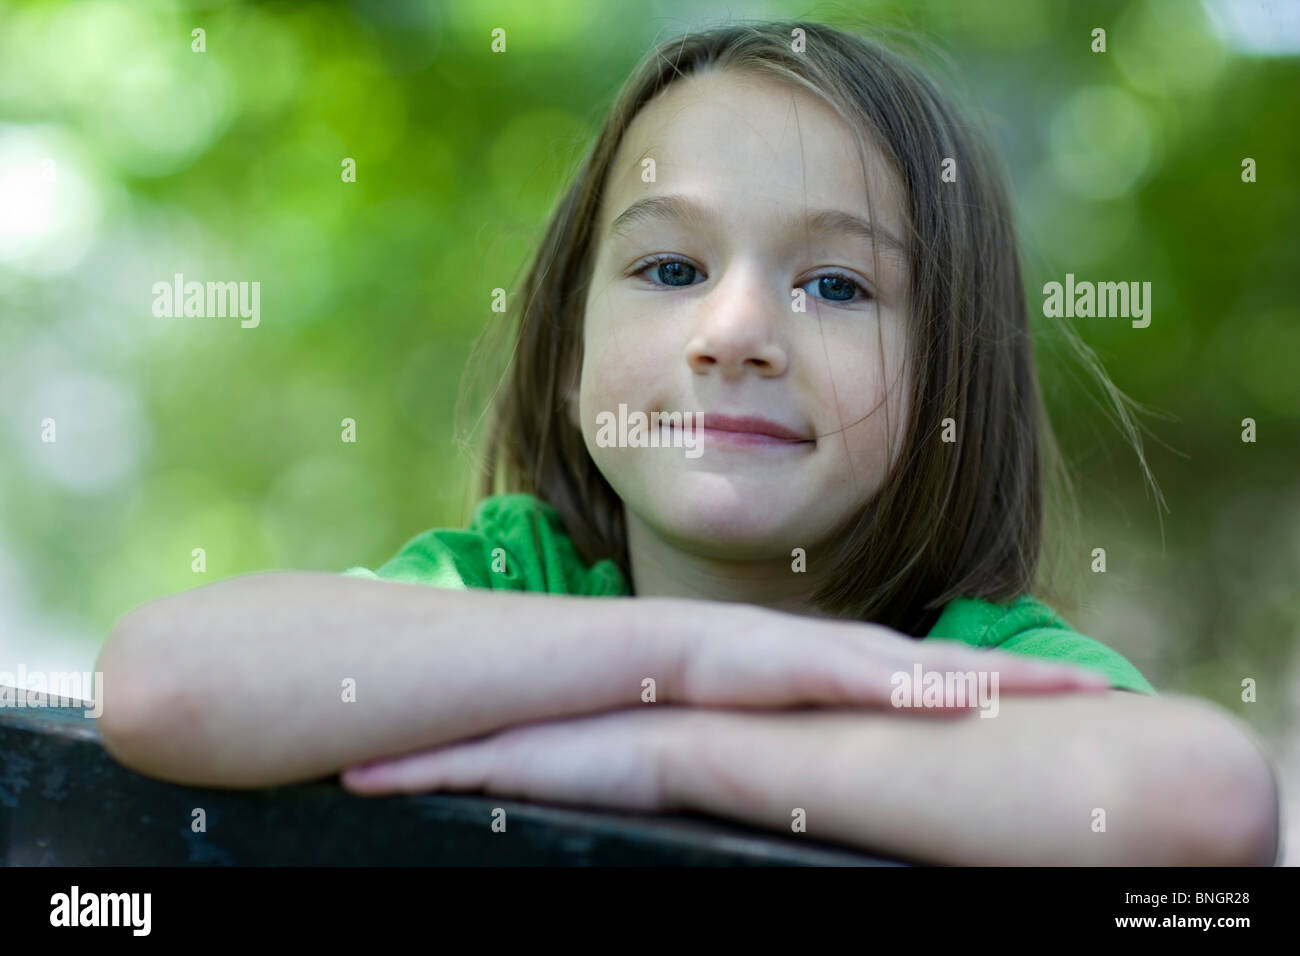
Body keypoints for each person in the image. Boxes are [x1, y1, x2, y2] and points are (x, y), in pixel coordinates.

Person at [96, 21, 1279, 865]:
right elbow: (157, 683)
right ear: (567, 349)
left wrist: (681, 752)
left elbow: (1202, 804)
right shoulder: (516, 583)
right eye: (670, 268)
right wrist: (695, 654)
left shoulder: (978, 655)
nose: (736, 331)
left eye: (834, 282)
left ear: (950, 375)